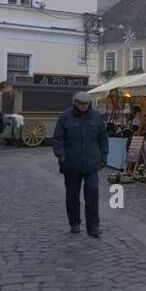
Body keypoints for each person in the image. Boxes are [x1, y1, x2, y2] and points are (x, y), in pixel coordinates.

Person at [53, 92, 109, 238]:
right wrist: (61, 155)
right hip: (71, 164)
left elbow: (102, 136)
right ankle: (74, 223)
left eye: (87, 104)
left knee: (92, 193)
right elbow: (58, 138)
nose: (84, 106)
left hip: (91, 163)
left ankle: (93, 227)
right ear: (75, 103)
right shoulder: (65, 117)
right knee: (72, 195)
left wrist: (104, 153)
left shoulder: (96, 117)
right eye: (82, 103)